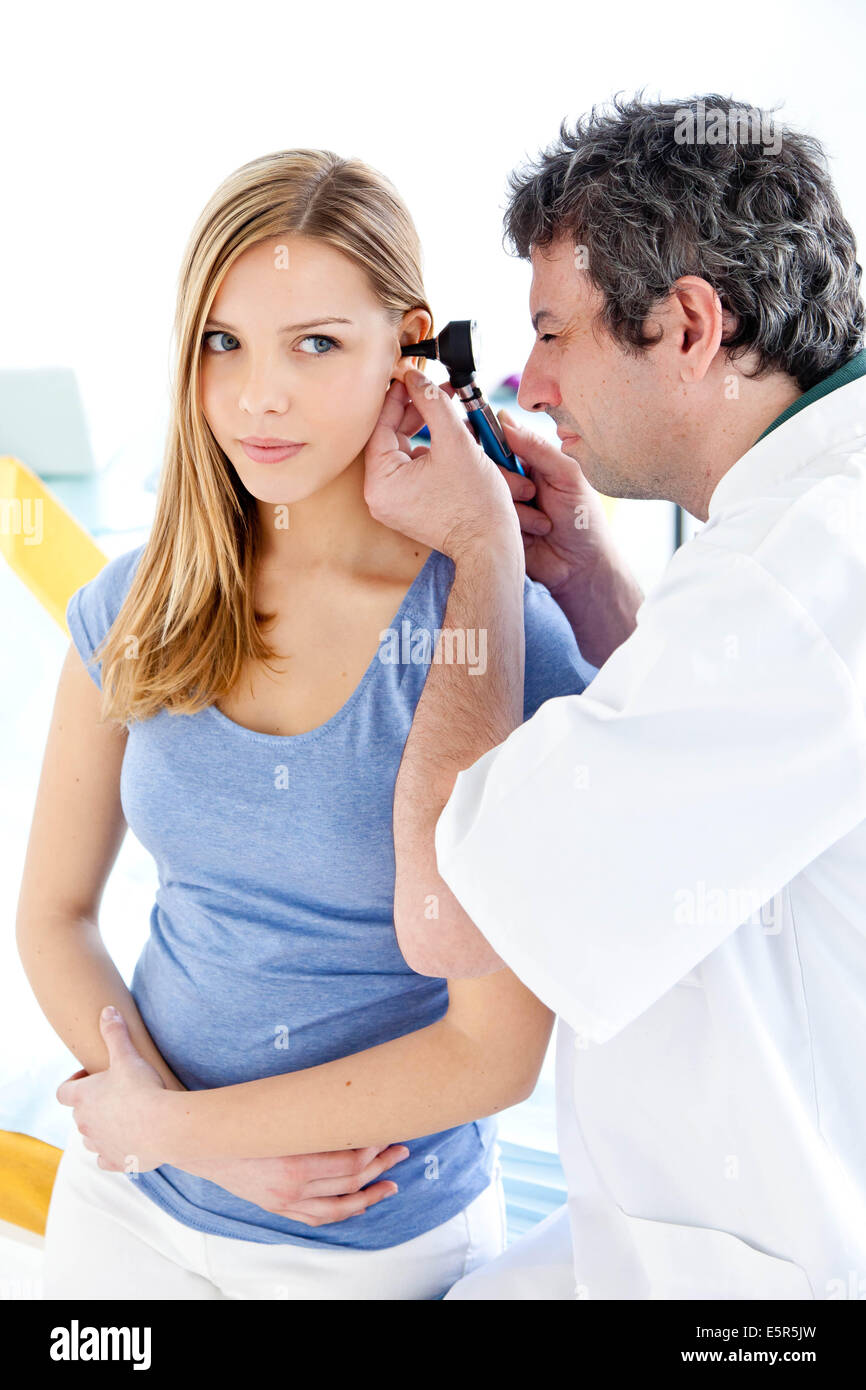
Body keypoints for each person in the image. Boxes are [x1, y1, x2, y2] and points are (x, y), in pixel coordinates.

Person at [16, 149, 596, 1301]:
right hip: (128, 1203)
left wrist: (178, 1130)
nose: (258, 394)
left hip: (363, 1247)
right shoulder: (136, 604)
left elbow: (494, 1053)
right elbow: (53, 914)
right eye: (222, 343)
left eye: (315, 343)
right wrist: (189, 1137)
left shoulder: (494, 643)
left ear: (408, 344)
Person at [361, 94, 866, 1300]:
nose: (527, 383)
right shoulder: (803, 526)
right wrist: (593, 588)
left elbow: (443, 912)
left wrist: (483, 559)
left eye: (552, 332)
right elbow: (739, 753)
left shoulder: (787, 579)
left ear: (688, 323)